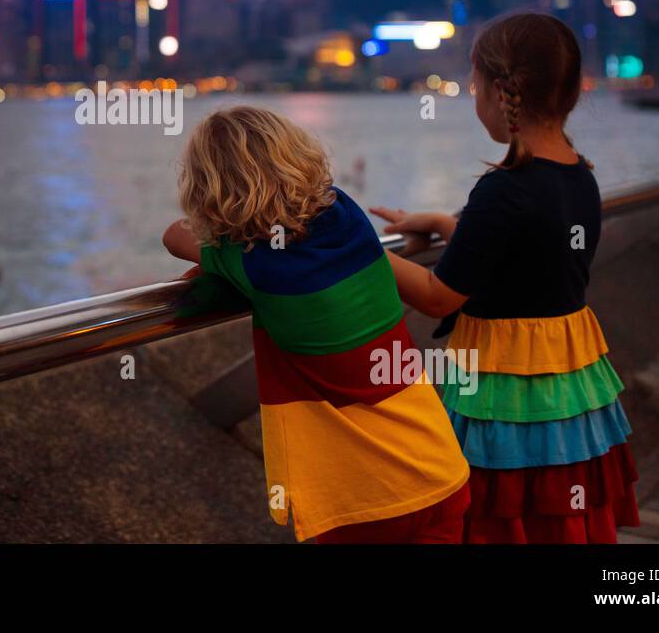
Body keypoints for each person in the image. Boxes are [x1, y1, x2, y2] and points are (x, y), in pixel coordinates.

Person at [370, 11, 639, 543]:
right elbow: (528, 252)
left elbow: (439, 296)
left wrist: (355, 249)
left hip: (502, 386)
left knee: (497, 510)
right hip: (565, 383)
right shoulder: (578, 175)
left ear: (499, 92)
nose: (473, 100)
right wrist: (449, 225)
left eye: (473, 86)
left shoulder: (503, 190)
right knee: (552, 513)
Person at [163, 106, 469, 542]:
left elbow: (175, 236)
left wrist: (219, 247)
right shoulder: (349, 217)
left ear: (208, 191)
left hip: (358, 505)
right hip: (439, 471)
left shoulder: (251, 265)